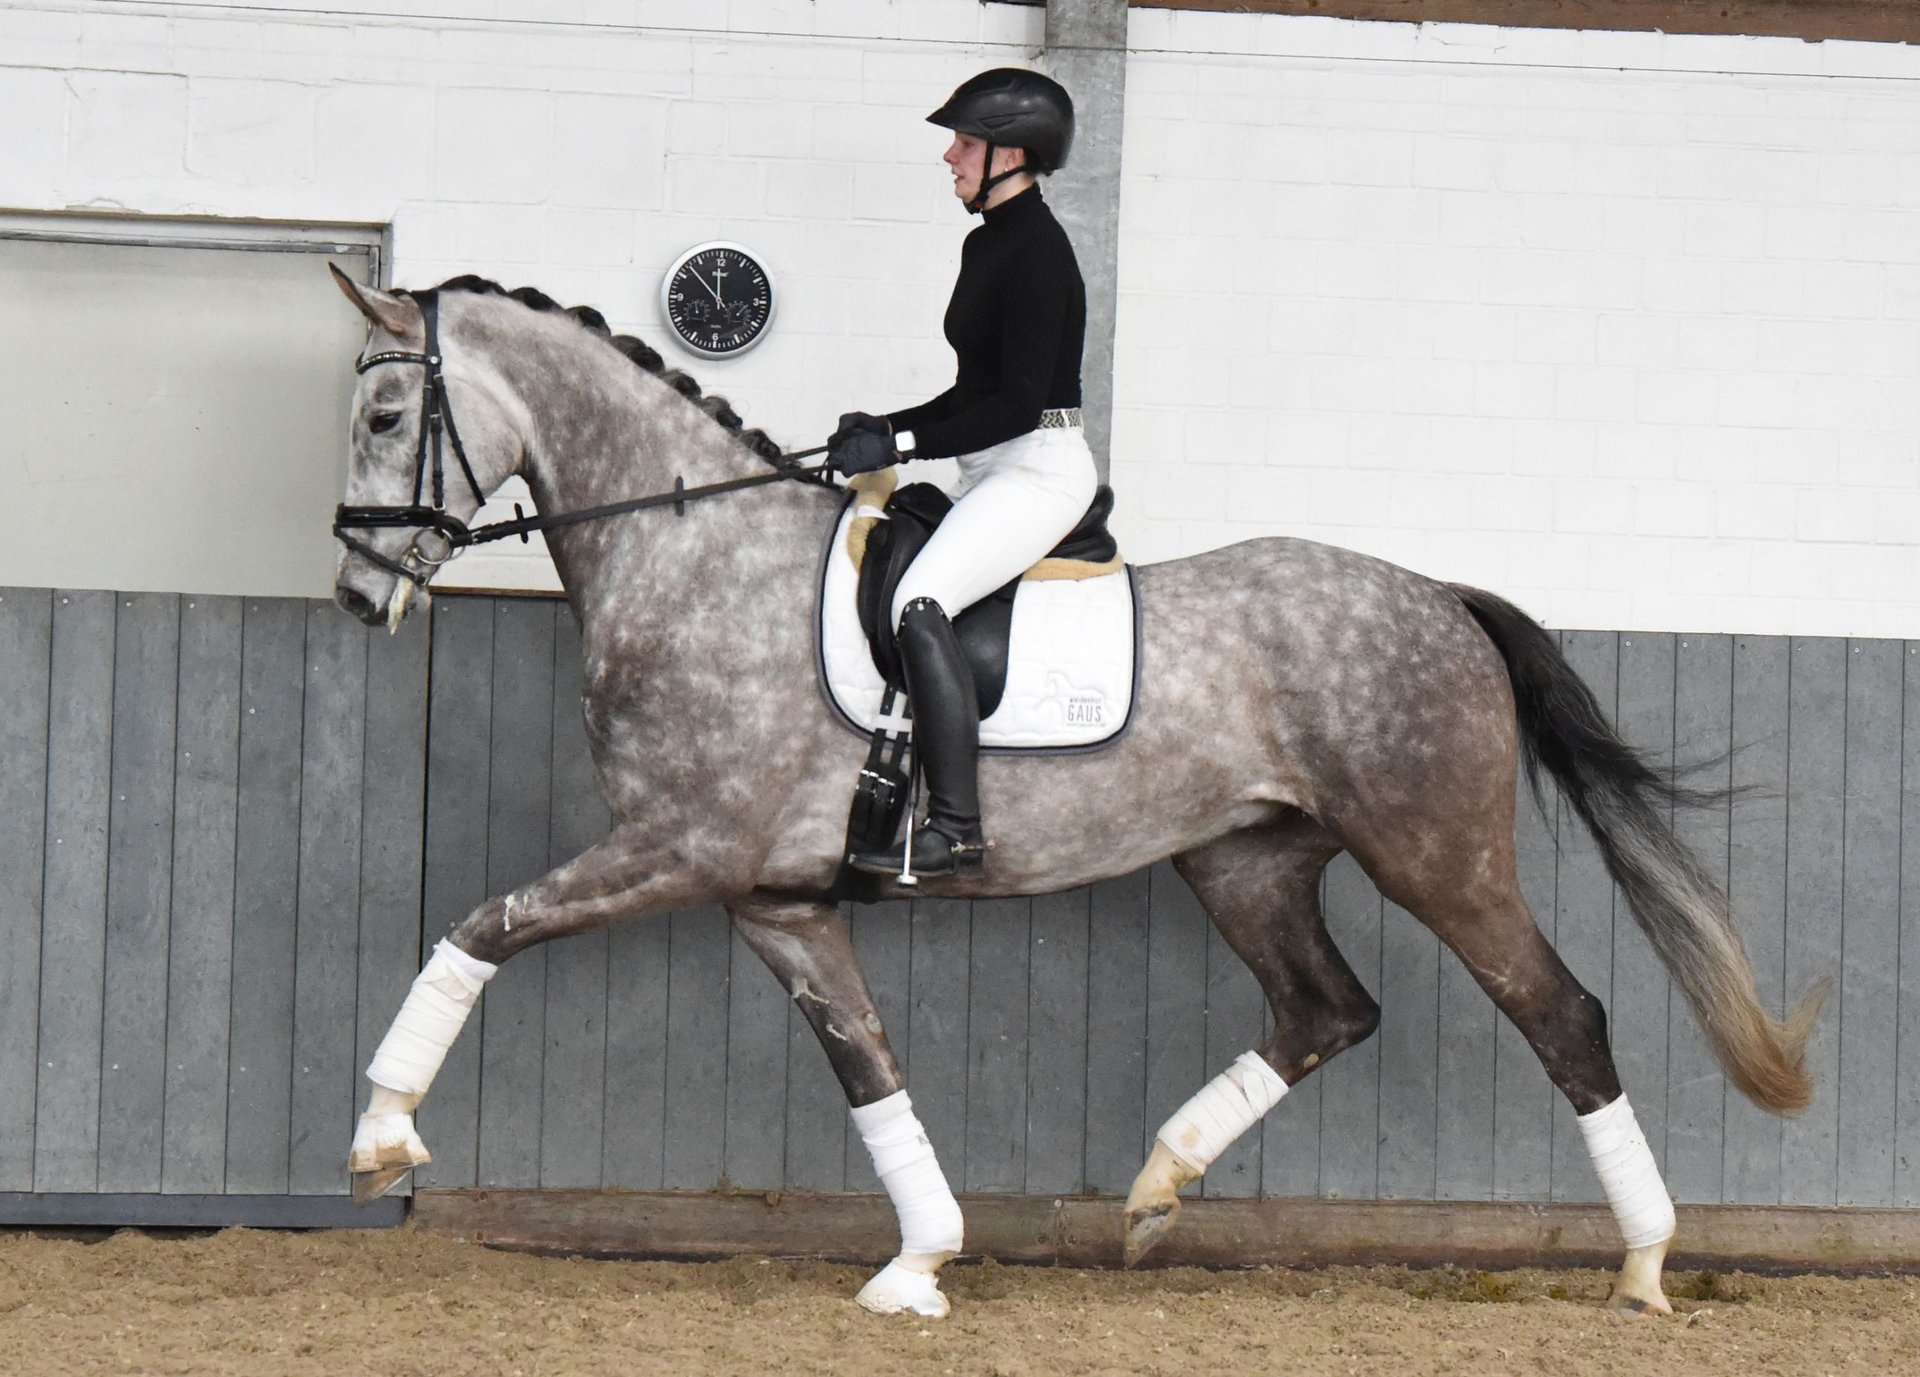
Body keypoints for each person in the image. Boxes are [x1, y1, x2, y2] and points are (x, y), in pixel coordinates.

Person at [830, 67, 1094, 879]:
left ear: (1012, 154)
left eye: (966, 143)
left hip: (1039, 466)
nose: (950, 156)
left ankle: (957, 825)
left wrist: (905, 448)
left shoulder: (1041, 254)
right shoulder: (987, 243)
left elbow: (1017, 404)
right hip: (991, 460)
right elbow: (970, 393)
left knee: (920, 599)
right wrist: (891, 426)